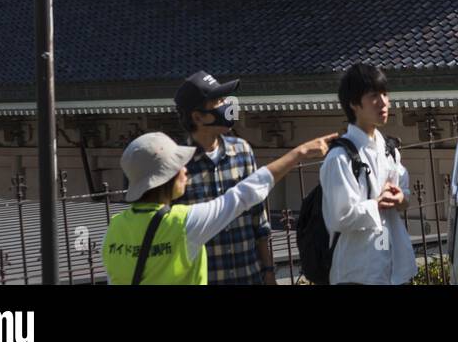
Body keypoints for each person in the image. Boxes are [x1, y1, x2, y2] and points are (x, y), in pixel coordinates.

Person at [103, 130, 334, 285]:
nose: (185, 170)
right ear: (166, 177)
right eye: (178, 165)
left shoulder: (115, 228)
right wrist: (299, 153)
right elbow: (243, 194)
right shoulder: (183, 224)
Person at [175, 70, 315, 285]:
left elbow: (258, 218)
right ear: (197, 116)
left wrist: (269, 271)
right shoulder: (177, 166)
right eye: (218, 101)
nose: (226, 105)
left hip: (249, 275)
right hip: (205, 278)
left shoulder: (242, 151)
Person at [320, 63, 415, 285]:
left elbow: (404, 193)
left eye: (385, 94)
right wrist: (378, 204)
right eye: (373, 96)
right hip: (357, 272)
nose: (383, 102)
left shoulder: (389, 149)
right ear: (354, 104)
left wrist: (401, 198)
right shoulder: (339, 158)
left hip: (394, 266)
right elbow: (339, 217)